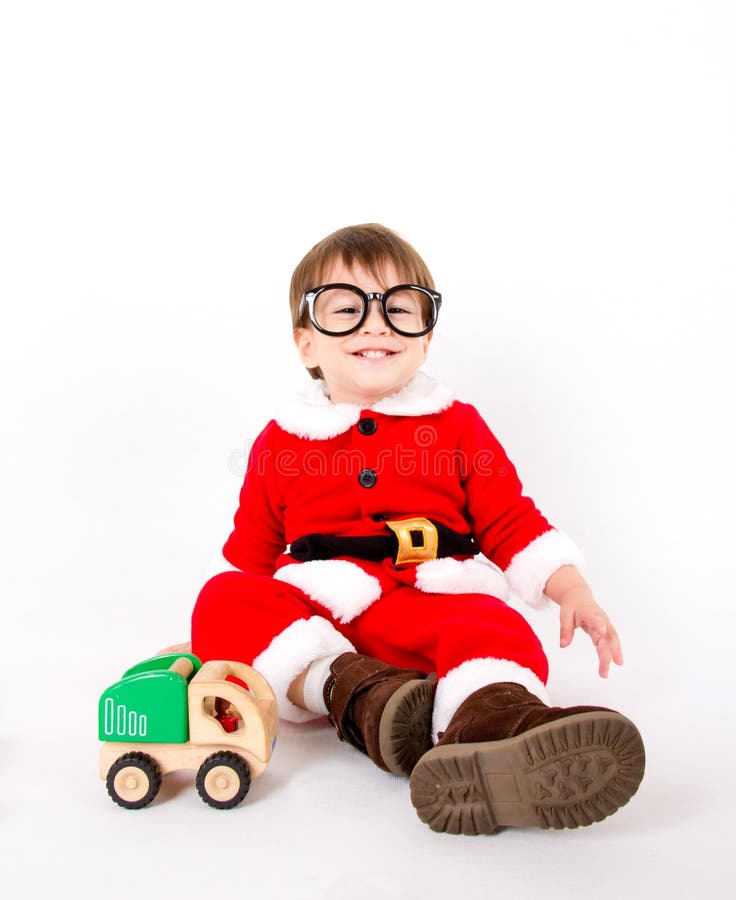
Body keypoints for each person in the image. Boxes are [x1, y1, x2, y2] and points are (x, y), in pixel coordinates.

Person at [188, 223, 645, 834]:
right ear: (306, 344)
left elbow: (510, 519)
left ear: (425, 339)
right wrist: (219, 648)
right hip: (324, 618)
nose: (375, 326)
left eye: (399, 309)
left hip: (429, 605)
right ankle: (352, 694)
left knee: (492, 624)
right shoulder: (279, 442)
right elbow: (251, 557)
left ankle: (490, 724)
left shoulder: (457, 426)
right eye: (347, 310)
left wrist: (570, 589)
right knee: (222, 598)